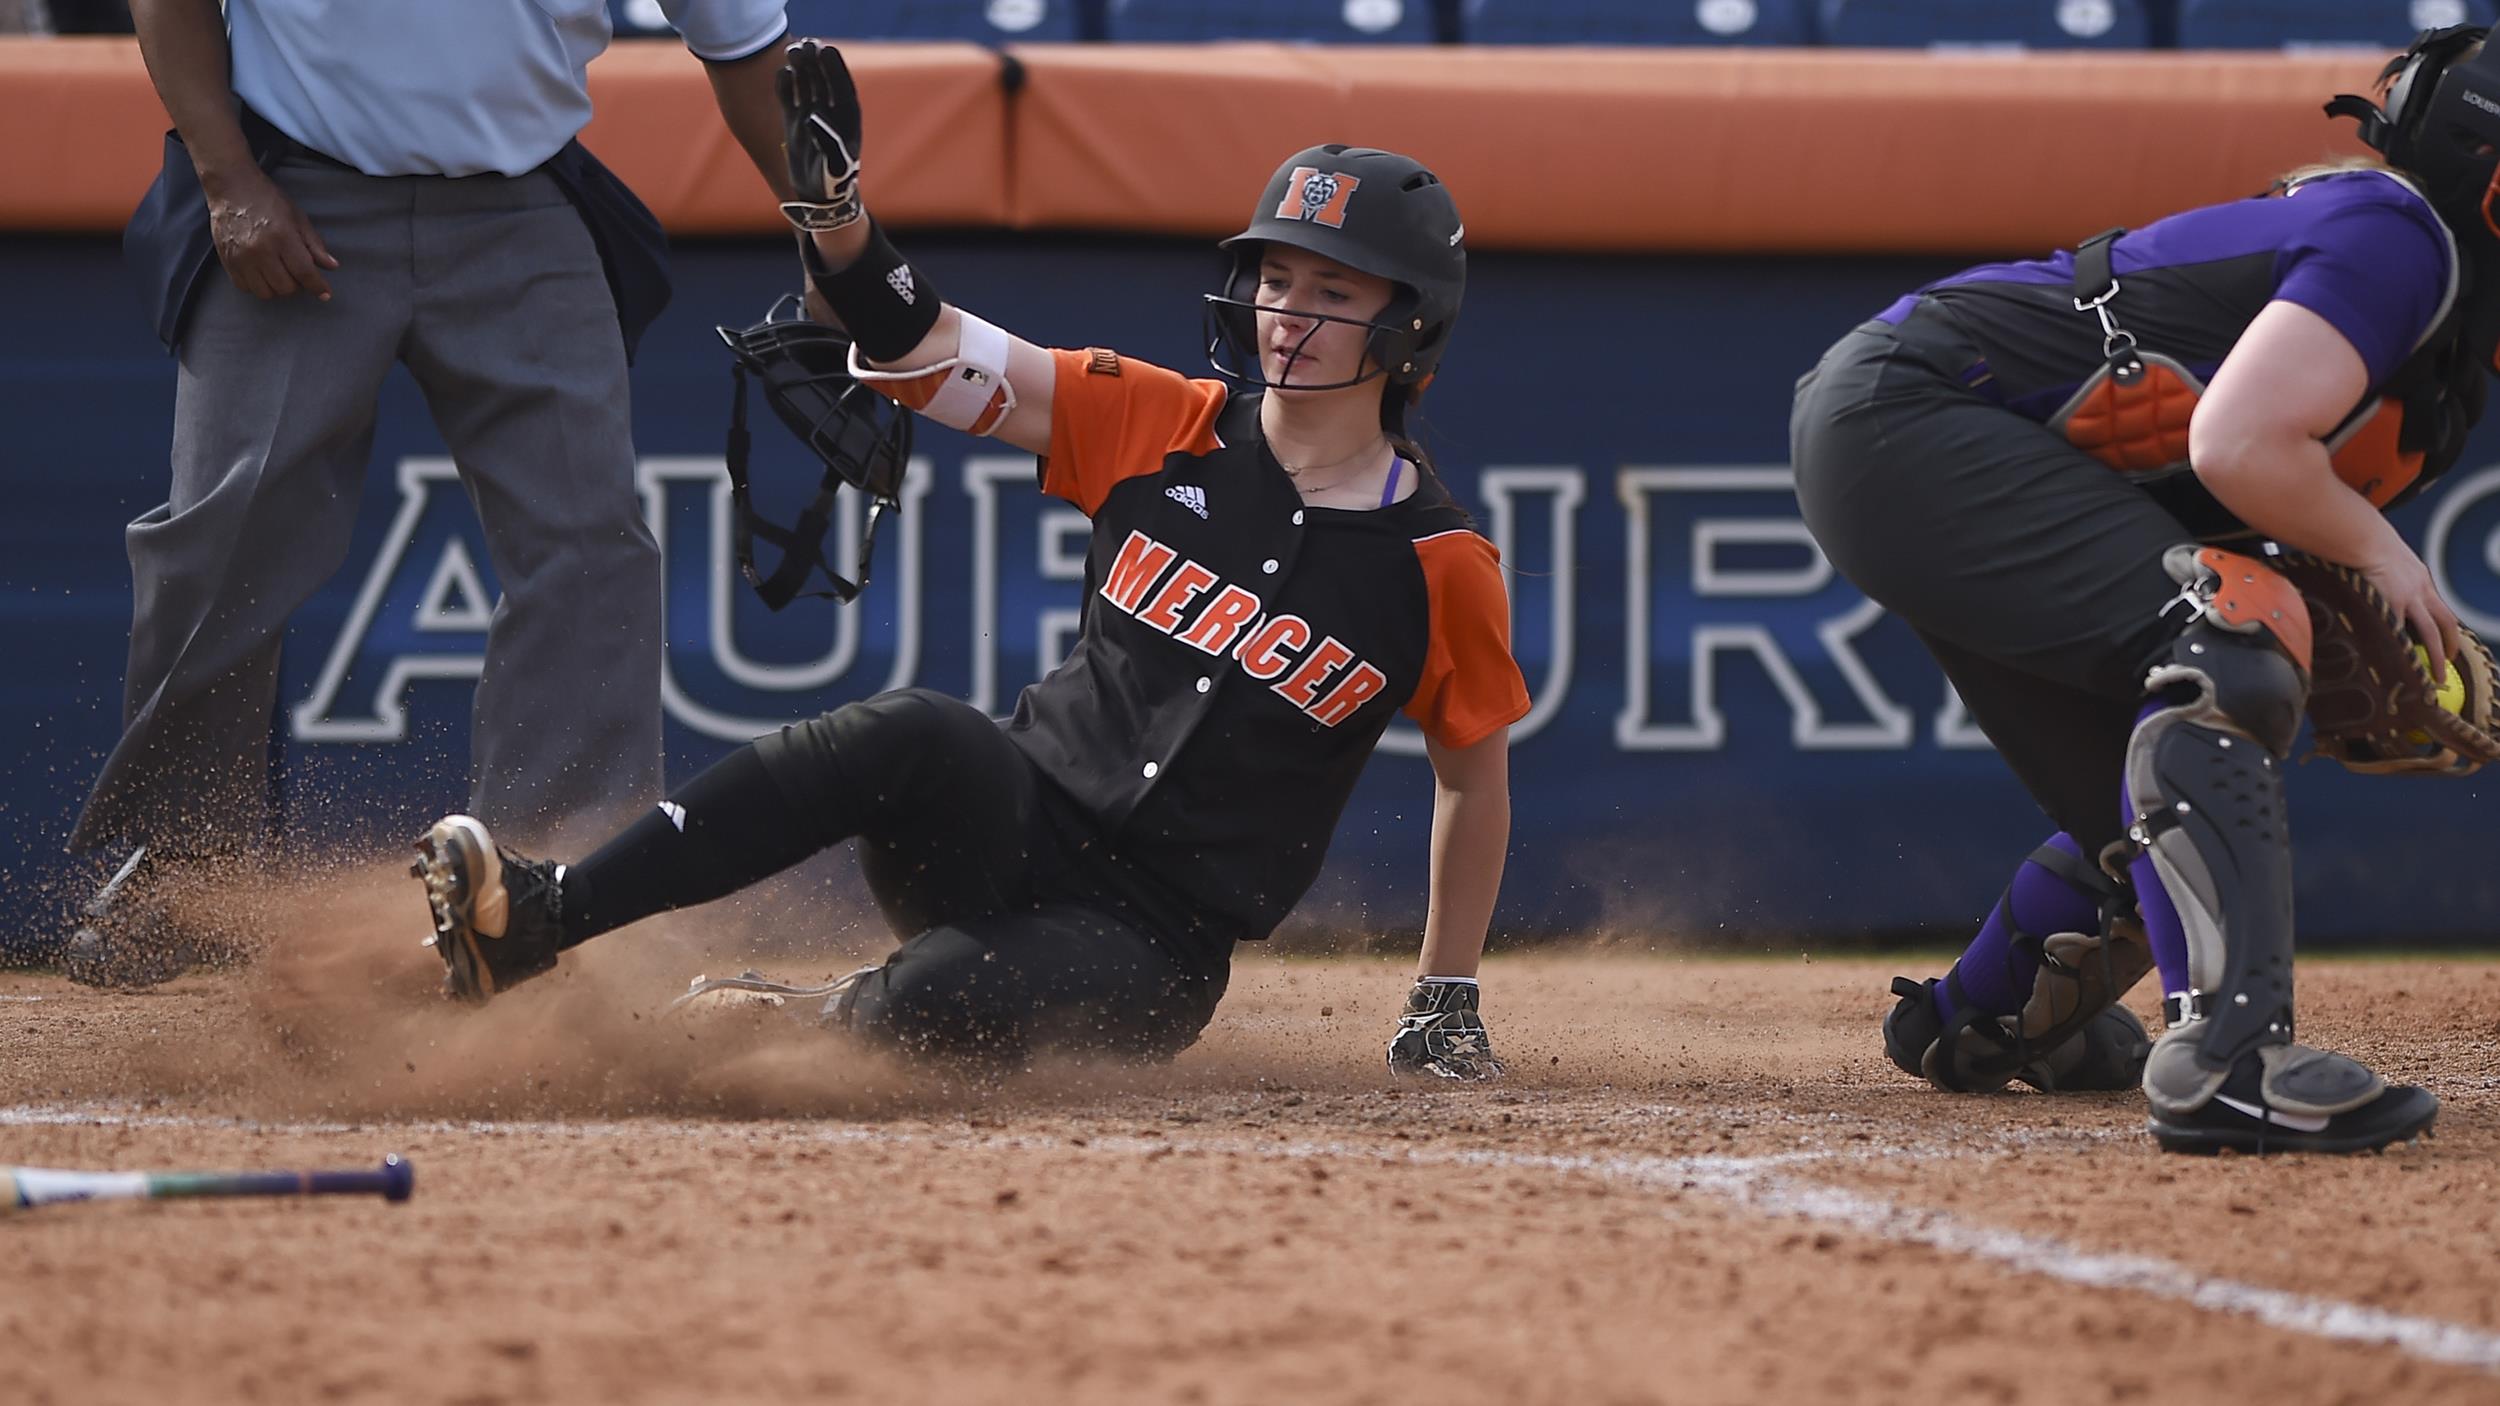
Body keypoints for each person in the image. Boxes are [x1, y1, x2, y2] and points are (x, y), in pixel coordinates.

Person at [411, 42, 1531, 1076]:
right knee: (904, 728)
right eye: (1275, 281)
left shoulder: (1439, 562)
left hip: (1154, 944)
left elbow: (1471, 778)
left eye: (1331, 292)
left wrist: (1445, 988)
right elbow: (924, 347)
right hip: (1008, 818)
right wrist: (838, 219)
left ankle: (802, 1016)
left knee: (932, 1001)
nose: (1287, 315)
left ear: (1409, 329)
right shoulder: (1158, 418)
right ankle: (545, 913)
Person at [1788, 26, 2500, 1154]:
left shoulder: (2440, 319)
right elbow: (2235, 443)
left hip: (1915, 433)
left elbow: (2228, 485)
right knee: (2230, 627)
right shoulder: (2398, 231)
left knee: (2164, 813)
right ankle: (2229, 1057)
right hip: (1913, 412)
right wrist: (2386, 561)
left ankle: (1978, 1019)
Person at [63, 0, 802, 988]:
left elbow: (747, 49)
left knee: (592, 547)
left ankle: (554, 898)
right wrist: (227, 177)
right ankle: (186, 875)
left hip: (522, 203)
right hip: (292, 185)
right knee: (220, 537)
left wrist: (836, 238)